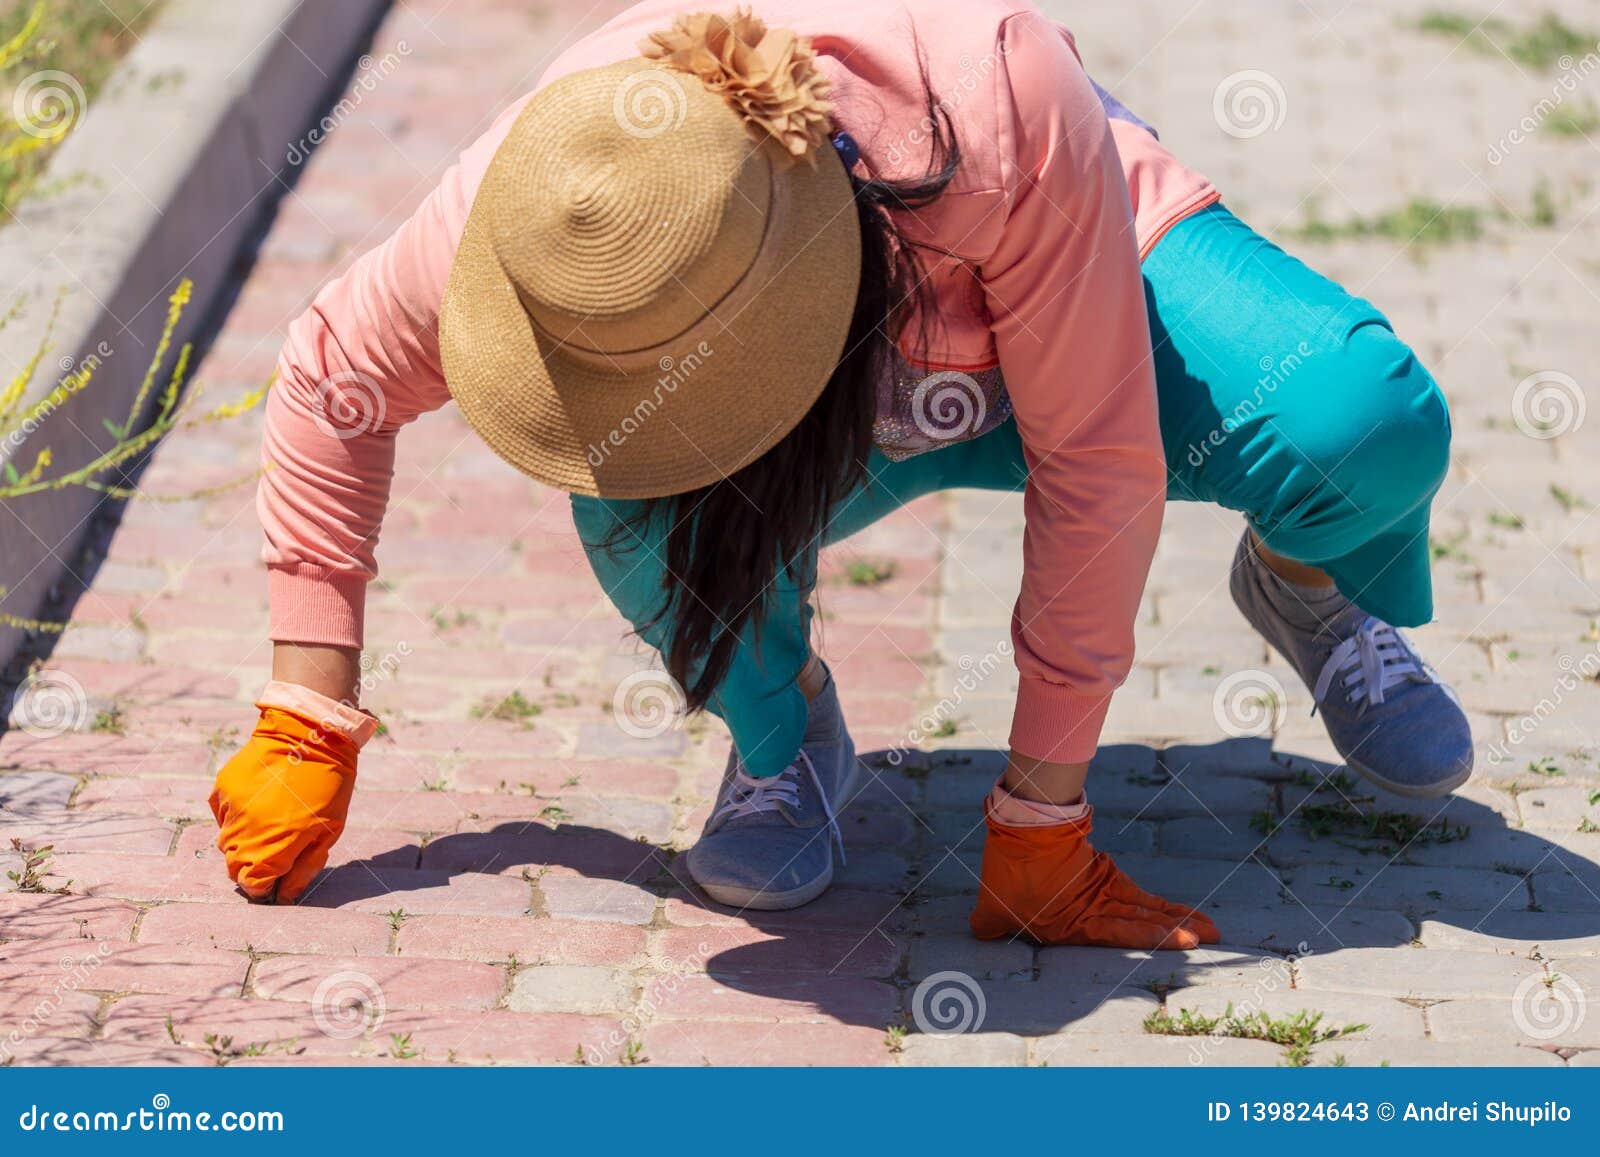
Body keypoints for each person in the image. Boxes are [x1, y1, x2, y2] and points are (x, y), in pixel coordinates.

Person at [209, 1, 1470, 950]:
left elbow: (1099, 466)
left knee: (1356, 420)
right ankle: (784, 734)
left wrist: (1044, 813)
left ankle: (1307, 580)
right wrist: (305, 713)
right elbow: (331, 375)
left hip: (1057, 281)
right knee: (630, 507)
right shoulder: (542, 195)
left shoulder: (989, 90)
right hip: (847, 394)